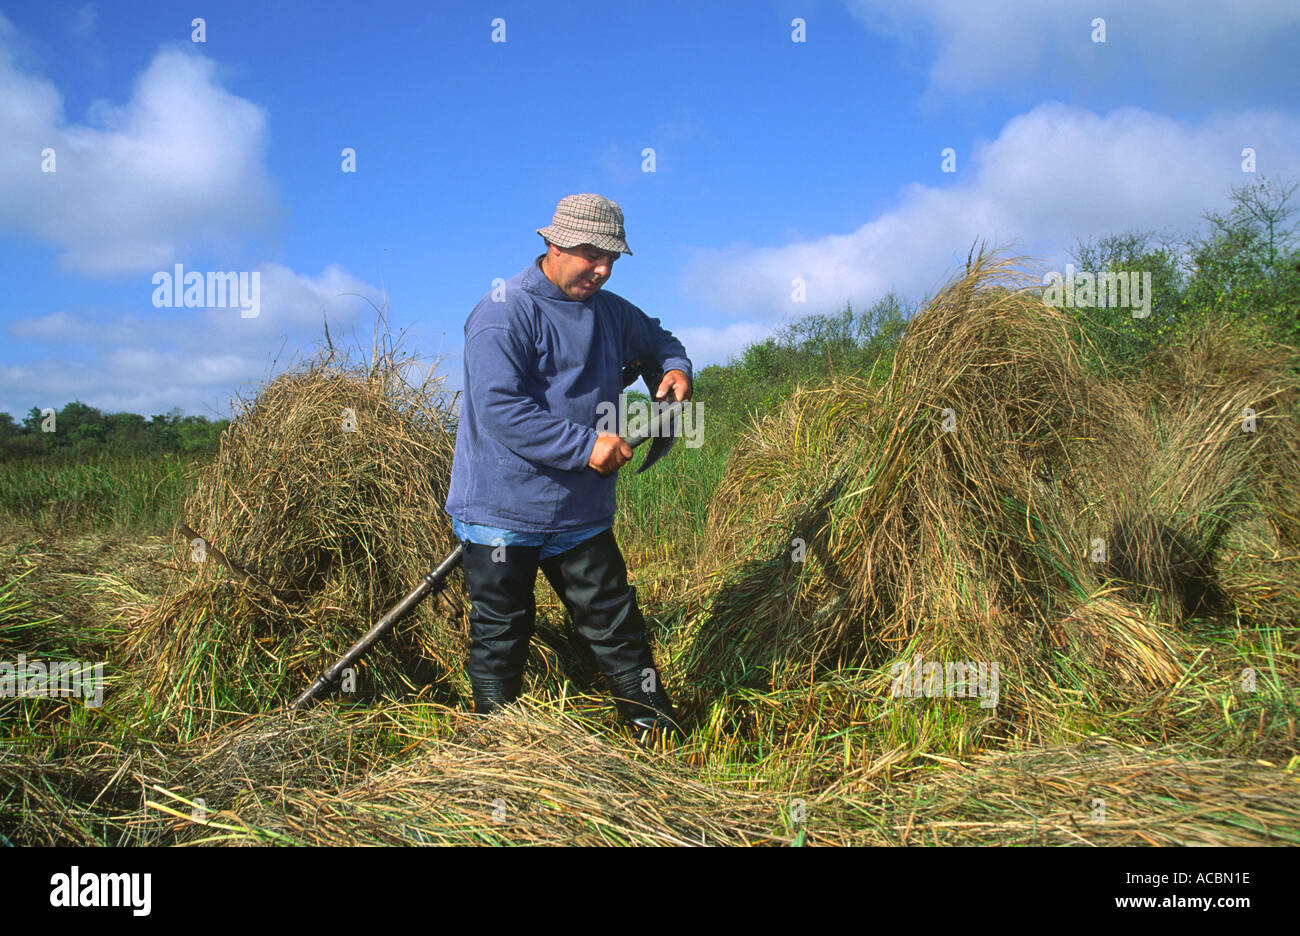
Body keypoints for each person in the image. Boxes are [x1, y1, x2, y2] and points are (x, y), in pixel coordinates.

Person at [444, 193, 693, 746]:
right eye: (590, 255)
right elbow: (500, 408)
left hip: (578, 512)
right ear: (553, 245)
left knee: (615, 625)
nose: (602, 270)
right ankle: (496, 752)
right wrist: (587, 446)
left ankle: (658, 736)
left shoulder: (609, 310)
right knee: (501, 633)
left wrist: (674, 368)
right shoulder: (504, 311)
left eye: (613, 259)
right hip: (502, 510)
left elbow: (659, 338)